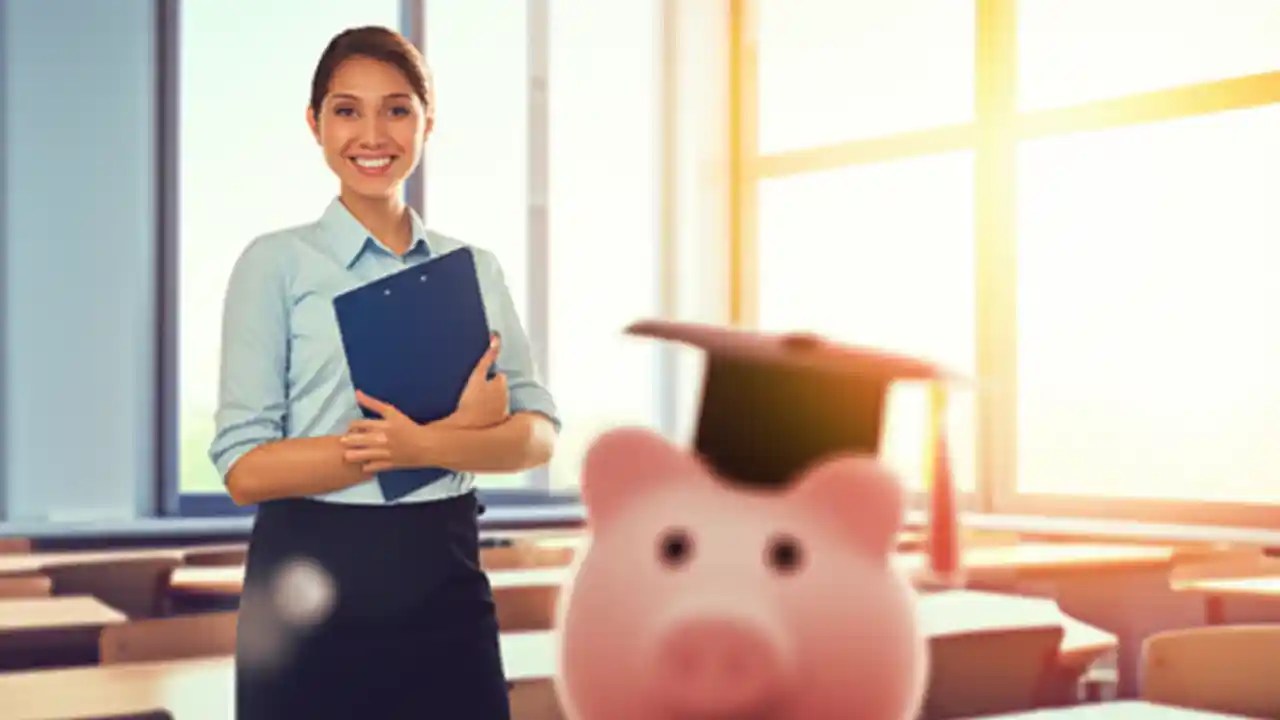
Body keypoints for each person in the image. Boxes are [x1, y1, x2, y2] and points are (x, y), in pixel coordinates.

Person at [207, 25, 559, 719]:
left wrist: (422, 446)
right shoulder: (275, 263)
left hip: (447, 575)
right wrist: (413, 444)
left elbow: (536, 435)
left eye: (397, 109)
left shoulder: (474, 268)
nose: (373, 133)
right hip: (308, 580)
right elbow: (246, 469)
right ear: (315, 124)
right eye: (347, 110)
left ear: (428, 122)